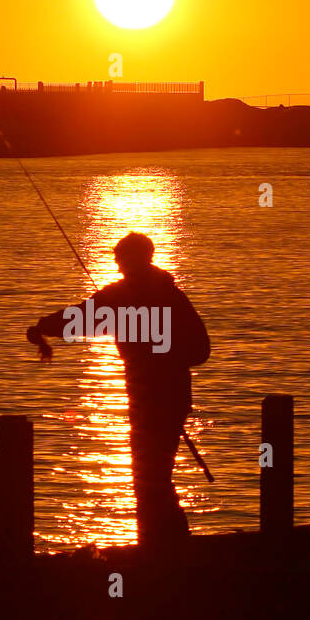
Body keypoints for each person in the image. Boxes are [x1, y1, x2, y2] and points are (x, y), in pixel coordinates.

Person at [27, 232, 210, 551]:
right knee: (154, 472)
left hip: (157, 399)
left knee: (148, 473)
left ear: (136, 259)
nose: (118, 264)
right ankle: (167, 541)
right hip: (165, 398)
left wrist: (42, 326)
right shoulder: (166, 296)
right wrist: (44, 326)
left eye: (121, 259)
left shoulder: (125, 298)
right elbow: (80, 318)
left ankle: (162, 545)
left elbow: (79, 318)